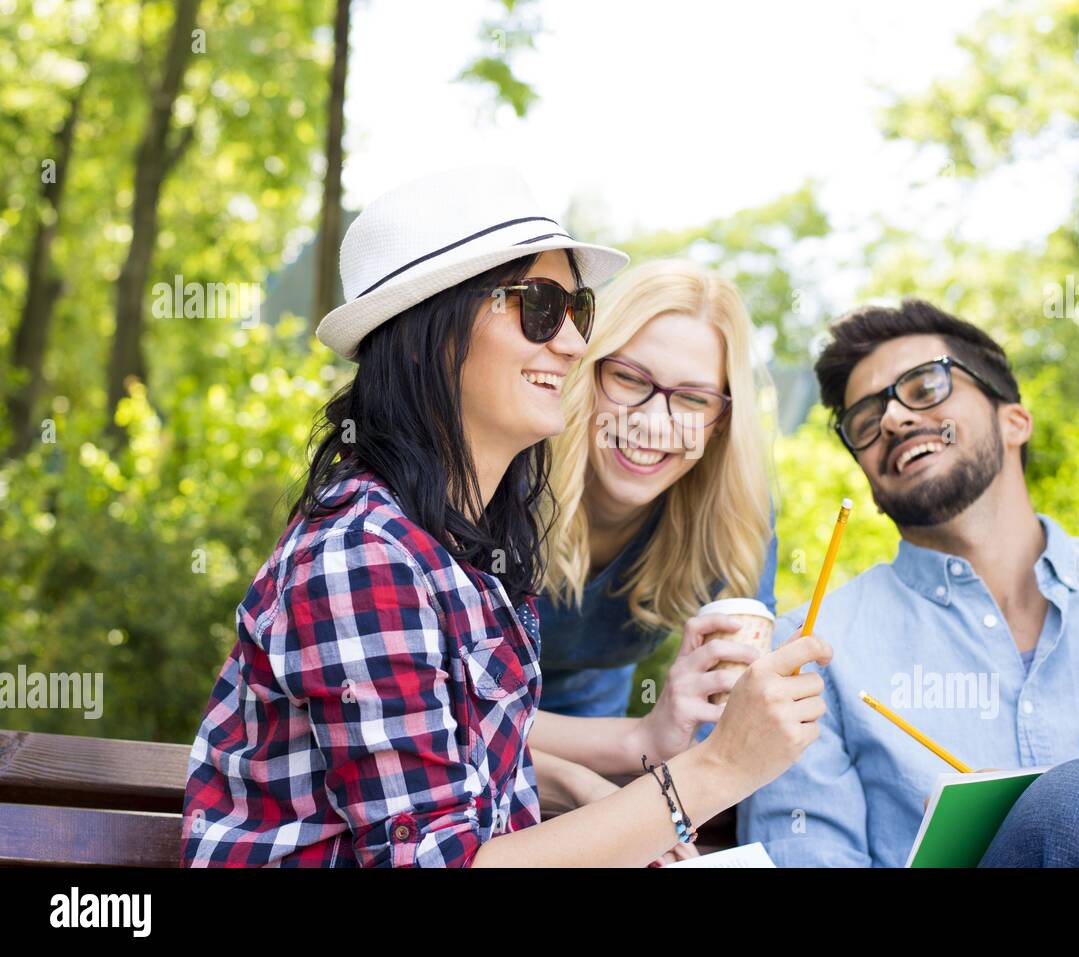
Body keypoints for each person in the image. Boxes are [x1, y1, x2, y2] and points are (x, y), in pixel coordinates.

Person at [180, 167, 831, 867]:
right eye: (539, 308)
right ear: (433, 331)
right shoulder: (363, 555)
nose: (576, 345)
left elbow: (463, 766)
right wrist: (715, 770)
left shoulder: (468, 551)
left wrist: (591, 782)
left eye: (576, 311)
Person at [738, 298, 1079, 867]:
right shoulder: (813, 650)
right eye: (865, 421)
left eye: (925, 387)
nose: (892, 420)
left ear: (1015, 420)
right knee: (1075, 801)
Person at [525, 260, 780, 822]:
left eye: (692, 399)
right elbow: (440, 704)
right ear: (585, 372)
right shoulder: (506, 480)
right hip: (473, 725)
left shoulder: (733, 520)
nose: (652, 423)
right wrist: (624, 747)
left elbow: (727, 724)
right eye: (631, 380)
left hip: (600, 723)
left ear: (721, 423)